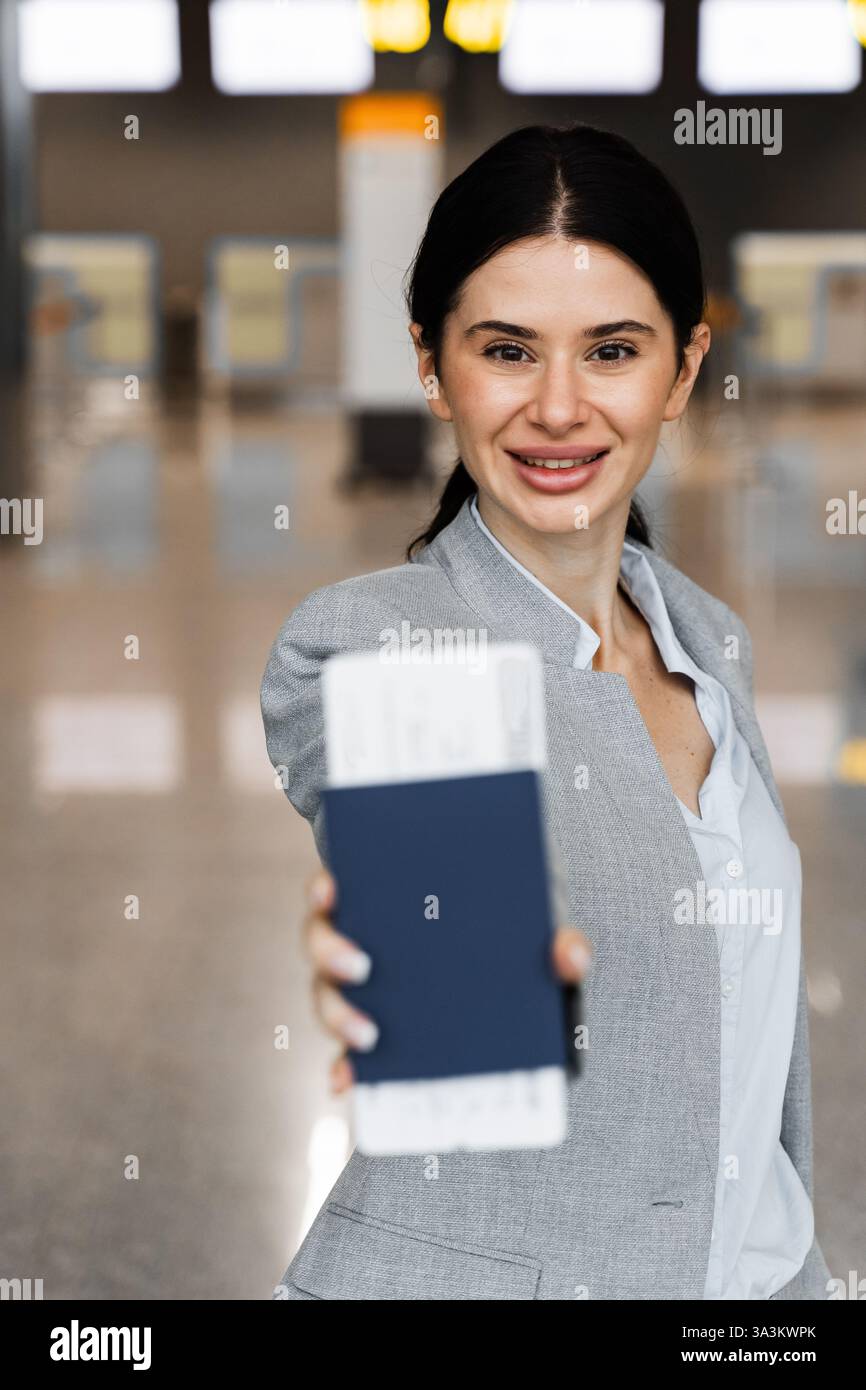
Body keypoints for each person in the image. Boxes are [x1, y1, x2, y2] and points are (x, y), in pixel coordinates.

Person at [261, 123, 830, 1300]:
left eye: (612, 350)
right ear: (431, 365)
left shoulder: (706, 640)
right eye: (507, 350)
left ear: (681, 371)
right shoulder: (376, 641)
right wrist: (408, 958)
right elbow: (451, 958)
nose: (559, 408)